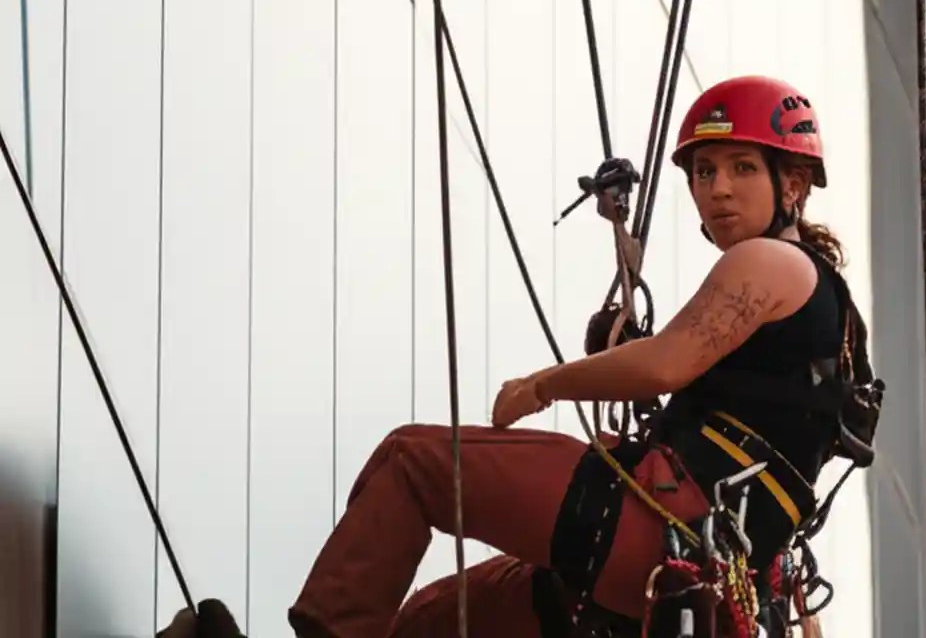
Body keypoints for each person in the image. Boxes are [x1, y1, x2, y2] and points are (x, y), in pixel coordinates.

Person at [285, 75, 874, 638]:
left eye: (742, 168)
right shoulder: (834, 313)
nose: (717, 188)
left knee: (412, 463)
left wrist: (544, 384)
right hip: (687, 572)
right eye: (703, 171)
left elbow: (665, 364)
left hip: (659, 528)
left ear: (792, 184)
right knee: (439, 619)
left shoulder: (770, 262)